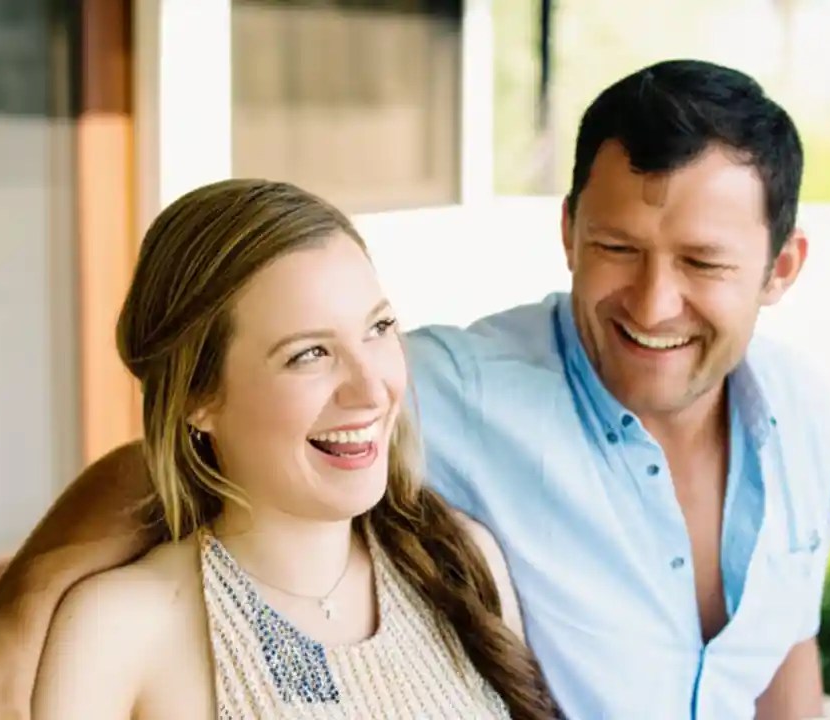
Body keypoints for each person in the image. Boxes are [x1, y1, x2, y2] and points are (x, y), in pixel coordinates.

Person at [0, 59, 830, 720]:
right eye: (617, 246)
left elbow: (780, 650)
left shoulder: (802, 421)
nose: (653, 301)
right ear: (568, 229)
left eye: (703, 263)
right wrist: (5, 640)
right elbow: (174, 456)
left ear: (780, 268)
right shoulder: (459, 390)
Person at [49, 178, 554, 718]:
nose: (371, 390)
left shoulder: (460, 562)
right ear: (198, 396)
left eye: (379, 327)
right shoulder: (120, 635)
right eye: (309, 353)